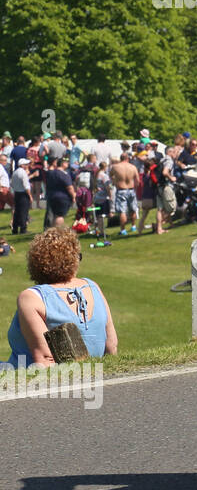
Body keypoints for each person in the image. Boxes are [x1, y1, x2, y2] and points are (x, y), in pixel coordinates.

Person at [3, 226, 117, 369]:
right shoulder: (93, 287)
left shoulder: (31, 298)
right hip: (93, 377)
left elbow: (44, 360)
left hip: (30, 379)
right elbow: (111, 347)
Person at [110, 151, 139, 235]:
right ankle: (133, 226)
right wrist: (135, 189)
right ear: (128, 158)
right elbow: (137, 180)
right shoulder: (133, 167)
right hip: (131, 189)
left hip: (121, 189)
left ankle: (123, 230)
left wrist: (114, 181)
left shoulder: (115, 167)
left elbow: (110, 175)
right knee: (133, 209)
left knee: (122, 211)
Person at [10, 158, 31, 234]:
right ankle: (23, 229)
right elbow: (26, 186)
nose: (27, 165)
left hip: (17, 193)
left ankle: (14, 229)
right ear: (22, 165)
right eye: (26, 164)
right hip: (23, 194)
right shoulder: (23, 173)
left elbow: (11, 184)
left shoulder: (15, 172)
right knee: (23, 212)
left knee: (17, 212)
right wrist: (30, 196)